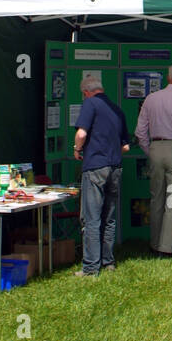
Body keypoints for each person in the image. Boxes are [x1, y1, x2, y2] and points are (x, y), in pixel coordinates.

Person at [73, 74, 131, 276]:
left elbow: (81, 134)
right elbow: (126, 146)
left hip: (95, 166)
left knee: (91, 218)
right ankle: (108, 262)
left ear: (86, 92)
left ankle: (90, 267)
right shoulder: (117, 110)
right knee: (109, 217)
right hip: (115, 167)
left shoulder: (90, 104)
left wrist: (77, 149)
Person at [134, 63, 172, 257]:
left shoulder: (151, 99)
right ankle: (165, 247)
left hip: (156, 149)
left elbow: (140, 132)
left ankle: (154, 243)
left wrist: (149, 150)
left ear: (167, 78)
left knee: (156, 198)